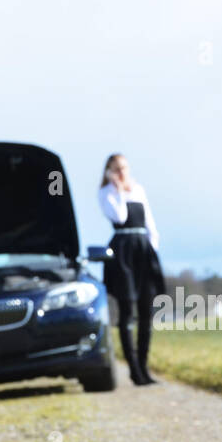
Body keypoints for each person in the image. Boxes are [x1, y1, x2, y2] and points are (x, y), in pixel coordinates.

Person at [98, 153, 165, 385]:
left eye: (124, 168)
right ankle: (134, 370)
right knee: (128, 312)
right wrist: (117, 190)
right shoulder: (106, 193)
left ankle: (145, 367)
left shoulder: (139, 189)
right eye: (116, 169)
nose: (122, 172)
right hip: (123, 253)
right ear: (109, 171)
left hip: (143, 251)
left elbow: (150, 223)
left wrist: (152, 248)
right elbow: (120, 216)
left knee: (146, 312)